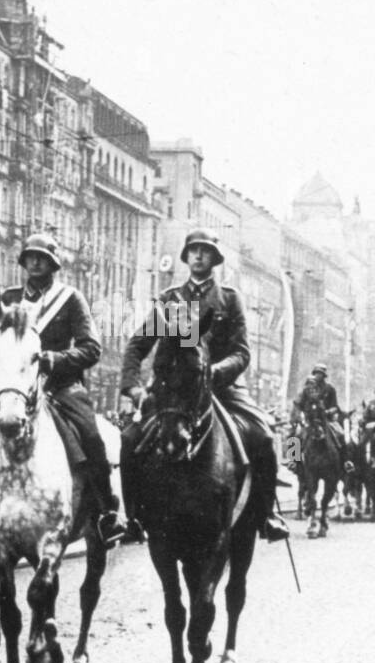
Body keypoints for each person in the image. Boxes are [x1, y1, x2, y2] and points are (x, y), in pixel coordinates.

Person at [119, 227, 290, 543]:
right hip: (172, 392)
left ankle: (267, 516)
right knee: (130, 439)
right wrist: (134, 387)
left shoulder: (228, 299)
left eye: (205, 251)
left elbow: (241, 351)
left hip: (221, 388)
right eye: (194, 251)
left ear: (214, 258)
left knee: (264, 436)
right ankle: (133, 518)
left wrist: (214, 372)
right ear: (186, 257)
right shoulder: (171, 301)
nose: (199, 256)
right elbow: (137, 346)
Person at [0, 233, 129, 545]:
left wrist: (54, 360)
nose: (34, 262)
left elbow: (91, 348)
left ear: (53, 264)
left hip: (61, 387)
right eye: (30, 257)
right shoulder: (7, 299)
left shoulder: (70, 298)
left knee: (91, 435)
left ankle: (105, 512)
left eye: (41, 258)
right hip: (14, 390)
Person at [291, 364, 345, 458]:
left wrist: (328, 412)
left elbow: (335, 406)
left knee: (341, 434)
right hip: (309, 420)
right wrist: (300, 416)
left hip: (327, 420)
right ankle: (293, 460)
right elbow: (298, 404)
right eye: (316, 373)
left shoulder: (330, 389)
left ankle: (346, 461)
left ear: (324, 375)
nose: (318, 375)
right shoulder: (307, 390)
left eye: (320, 373)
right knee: (295, 435)